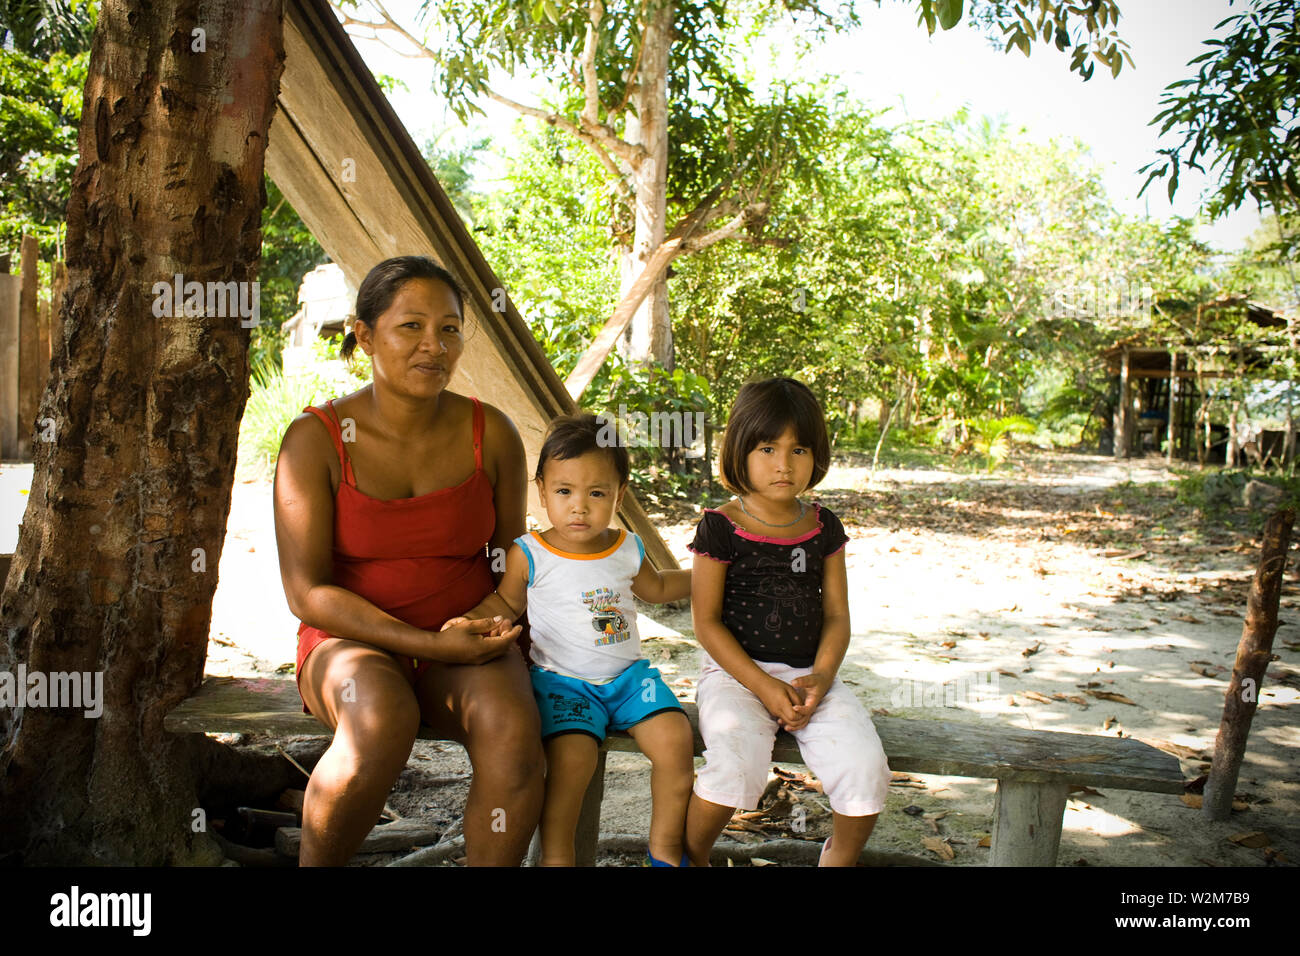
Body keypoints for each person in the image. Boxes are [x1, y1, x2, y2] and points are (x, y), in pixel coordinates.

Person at [273, 255, 544, 866]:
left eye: (449, 329)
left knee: (513, 733)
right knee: (380, 716)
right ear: (364, 334)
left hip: (466, 633)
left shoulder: (490, 432)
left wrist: (484, 622)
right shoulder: (315, 440)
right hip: (349, 639)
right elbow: (307, 592)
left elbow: (511, 557)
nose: (434, 346)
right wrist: (421, 641)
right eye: (411, 327)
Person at [454, 413, 695, 866]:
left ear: (619, 495)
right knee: (572, 765)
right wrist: (469, 620)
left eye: (597, 493)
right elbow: (505, 605)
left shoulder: (627, 546)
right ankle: (557, 858)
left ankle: (663, 852)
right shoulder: (530, 553)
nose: (579, 506)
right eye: (564, 492)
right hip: (563, 684)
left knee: (675, 741)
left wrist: (707, 577)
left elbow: (658, 589)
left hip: (628, 681)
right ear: (542, 491)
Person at [683, 377, 891, 867]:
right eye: (767, 447)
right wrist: (762, 686)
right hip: (735, 674)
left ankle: (838, 859)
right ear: (738, 451)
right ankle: (692, 857)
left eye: (798, 449)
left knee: (865, 767)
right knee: (735, 764)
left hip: (811, 678)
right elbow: (706, 623)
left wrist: (820, 677)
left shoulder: (824, 526)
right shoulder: (720, 526)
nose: (784, 464)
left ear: (816, 454)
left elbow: (837, 614)